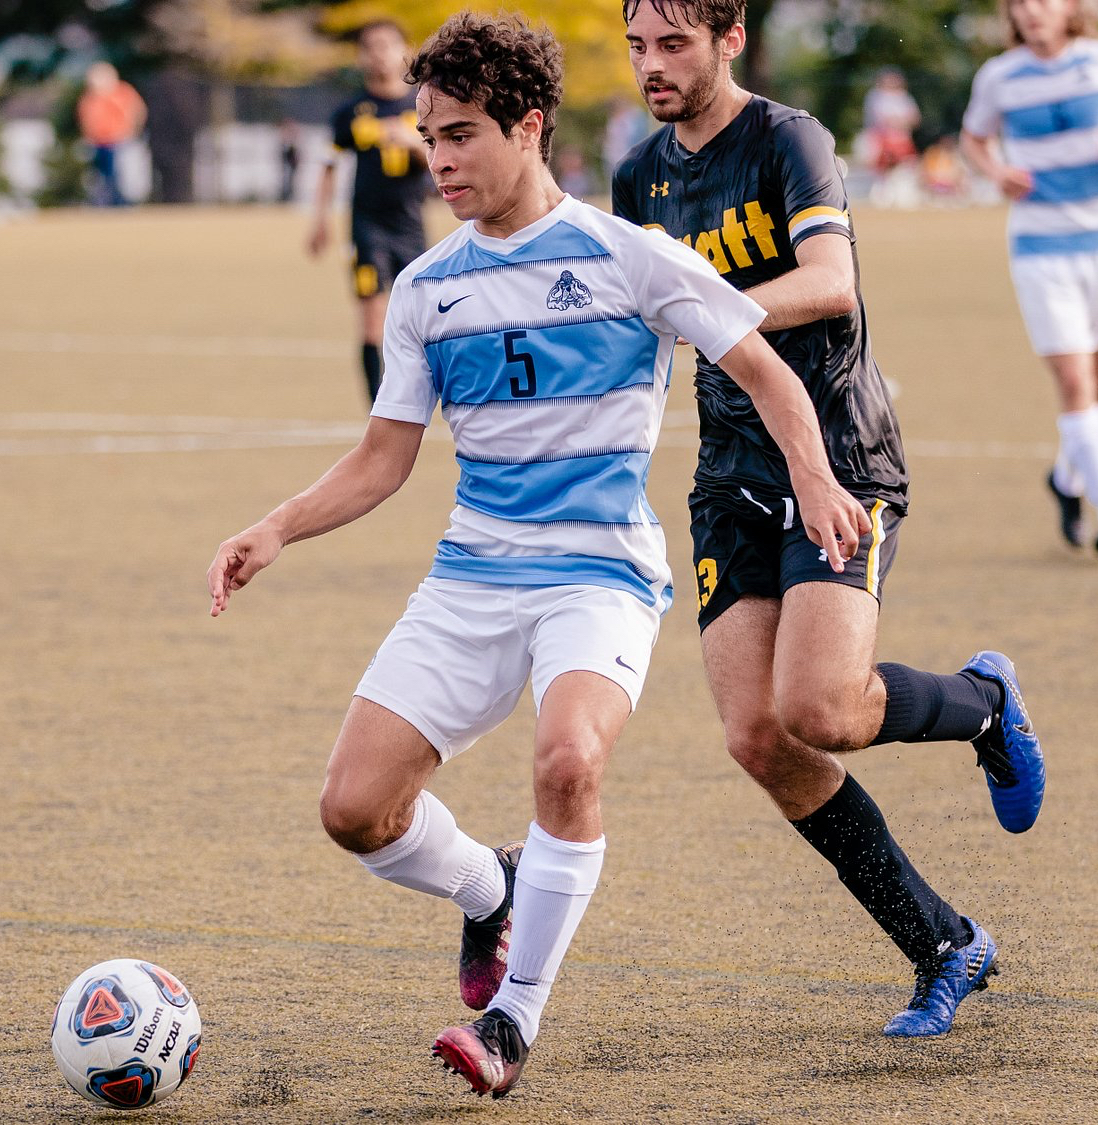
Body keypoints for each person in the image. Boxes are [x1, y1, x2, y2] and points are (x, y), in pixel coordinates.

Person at [209, 11, 861, 1097]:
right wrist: (274, 527)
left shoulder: (628, 255)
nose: (439, 160)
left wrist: (816, 476)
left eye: (461, 134)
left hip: (598, 575)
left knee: (567, 760)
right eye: (429, 137)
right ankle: (489, 890)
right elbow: (382, 459)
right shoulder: (427, 289)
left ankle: (513, 1018)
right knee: (354, 812)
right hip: (472, 576)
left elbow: (763, 368)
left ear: (528, 125)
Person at [613, 0, 1046, 1037]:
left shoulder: (788, 141)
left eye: (673, 44)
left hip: (840, 455)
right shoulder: (636, 178)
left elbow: (830, 283)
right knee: (759, 737)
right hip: (729, 471)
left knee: (822, 708)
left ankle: (983, 703)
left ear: (729, 39)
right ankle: (942, 943)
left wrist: (704, 302)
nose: (651, 66)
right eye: (636, 47)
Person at [958, 0, 1098, 556]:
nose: (1031, 11)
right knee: (1074, 383)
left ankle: (1067, 478)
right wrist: (996, 171)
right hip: (1039, 247)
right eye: (1020, 3)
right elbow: (973, 139)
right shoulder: (999, 77)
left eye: (1043, 0)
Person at [309, 21, 432, 402]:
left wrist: (412, 143)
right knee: (371, 321)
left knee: (425, 319)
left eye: (387, 45)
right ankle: (376, 411)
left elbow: (442, 158)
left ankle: (427, 399)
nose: (379, 54)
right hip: (367, 227)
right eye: (371, 47)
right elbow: (328, 166)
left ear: (404, 50)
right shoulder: (351, 111)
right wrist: (319, 220)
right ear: (361, 56)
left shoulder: (424, 104)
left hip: (411, 225)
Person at [77, 62, 146, 208]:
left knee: (121, 174)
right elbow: (86, 119)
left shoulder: (122, 94)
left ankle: (122, 203)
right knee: (102, 175)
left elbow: (136, 112)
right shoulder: (90, 98)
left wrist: (129, 131)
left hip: (120, 141)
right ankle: (105, 202)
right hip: (99, 142)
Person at [277, 117, 303, 203]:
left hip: (291, 160)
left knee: (290, 178)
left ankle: (288, 195)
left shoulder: (292, 141)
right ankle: (285, 196)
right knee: (286, 178)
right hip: (288, 159)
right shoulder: (286, 139)